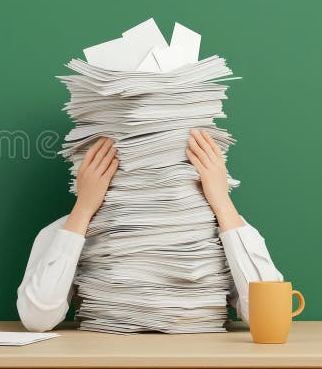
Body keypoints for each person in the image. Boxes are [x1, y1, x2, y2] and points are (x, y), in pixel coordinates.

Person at [17, 129, 283, 332]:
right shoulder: (67, 231)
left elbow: (268, 317)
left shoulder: (231, 232)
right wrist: (83, 210)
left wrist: (222, 203)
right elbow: (38, 318)